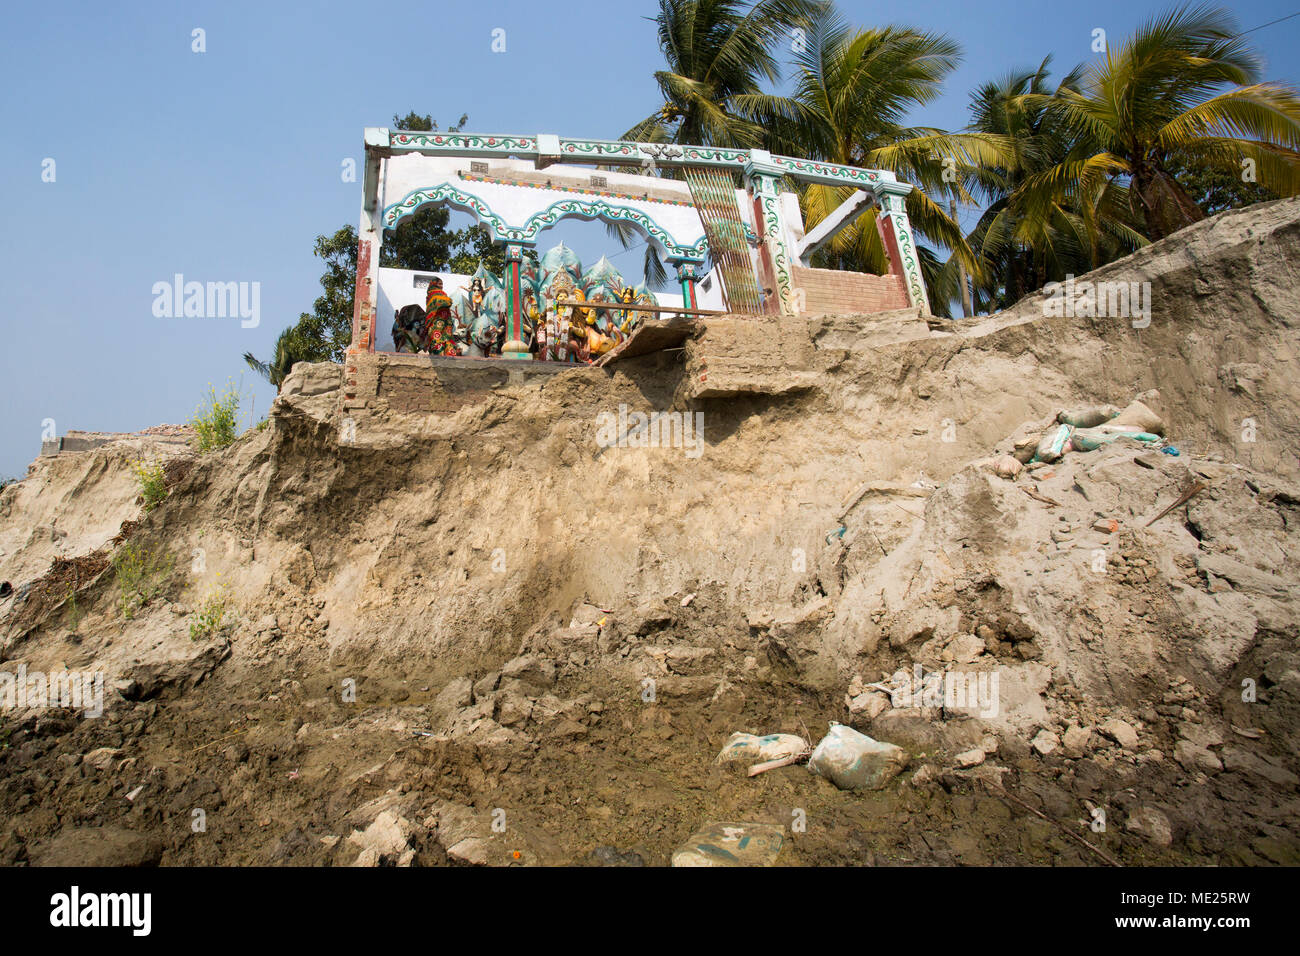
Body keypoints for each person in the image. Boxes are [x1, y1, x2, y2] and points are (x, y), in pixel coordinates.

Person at [423, 277, 459, 356]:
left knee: (447, 339)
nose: (441, 286)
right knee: (437, 339)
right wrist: (448, 301)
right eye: (439, 284)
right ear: (434, 284)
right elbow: (447, 302)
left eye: (442, 284)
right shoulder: (432, 294)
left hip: (446, 321)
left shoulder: (442, 294)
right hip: (436, 322)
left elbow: (447, 302)